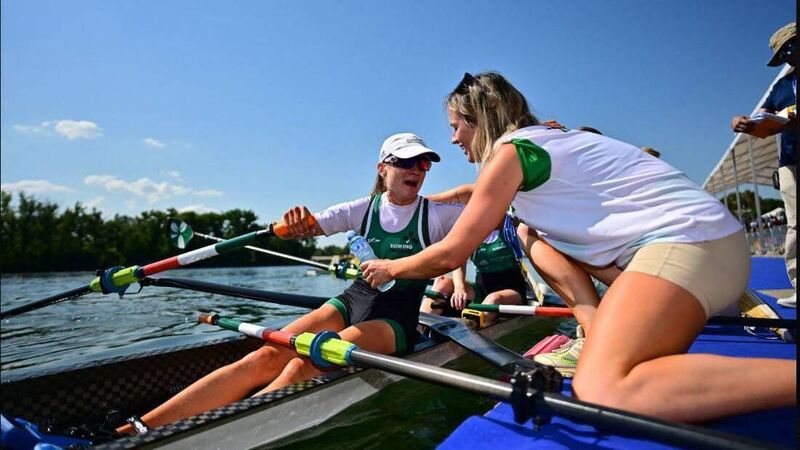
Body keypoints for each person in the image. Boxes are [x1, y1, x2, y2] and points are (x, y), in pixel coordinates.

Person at [363, 72, 796, 422]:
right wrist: (417, 204)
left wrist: (390, 268)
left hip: (688, 245)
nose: (454, 139)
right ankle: (599, 324)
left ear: (482, 117)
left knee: (604, 384)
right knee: (531, 230)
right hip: (709, 246)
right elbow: (467, 194)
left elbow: (453, 253)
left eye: (456, 127)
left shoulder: (511, 154)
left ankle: (596, 329)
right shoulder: (546, 139)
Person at [117, 133, 463, 433]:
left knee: (306, 362)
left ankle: (215, 433)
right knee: (268, 354)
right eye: (406, 162)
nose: (416, 170)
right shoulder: (361, 209)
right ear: (382, 168)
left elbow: (491, 205)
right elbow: (309, 226)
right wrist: (295, 224)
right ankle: (135, 431)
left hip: (395, 317)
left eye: (423, 164)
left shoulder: (437, 215)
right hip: (355, 297)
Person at [731, 22, 797, 308]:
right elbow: (762, 117)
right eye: (784, 53)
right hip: (792, 160)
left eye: (791, 48)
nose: (789, 56)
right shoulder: (782, 86)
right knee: (796, 223)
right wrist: (741, 122)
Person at [420, 220, 527, 325]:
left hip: (513, 292)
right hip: (481, 290)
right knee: (442, 282)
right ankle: (419, 328)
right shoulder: (471, 232)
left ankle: (467, 330)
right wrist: (459, 288)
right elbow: (459, 262)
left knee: (493, 298)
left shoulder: (511, 225)